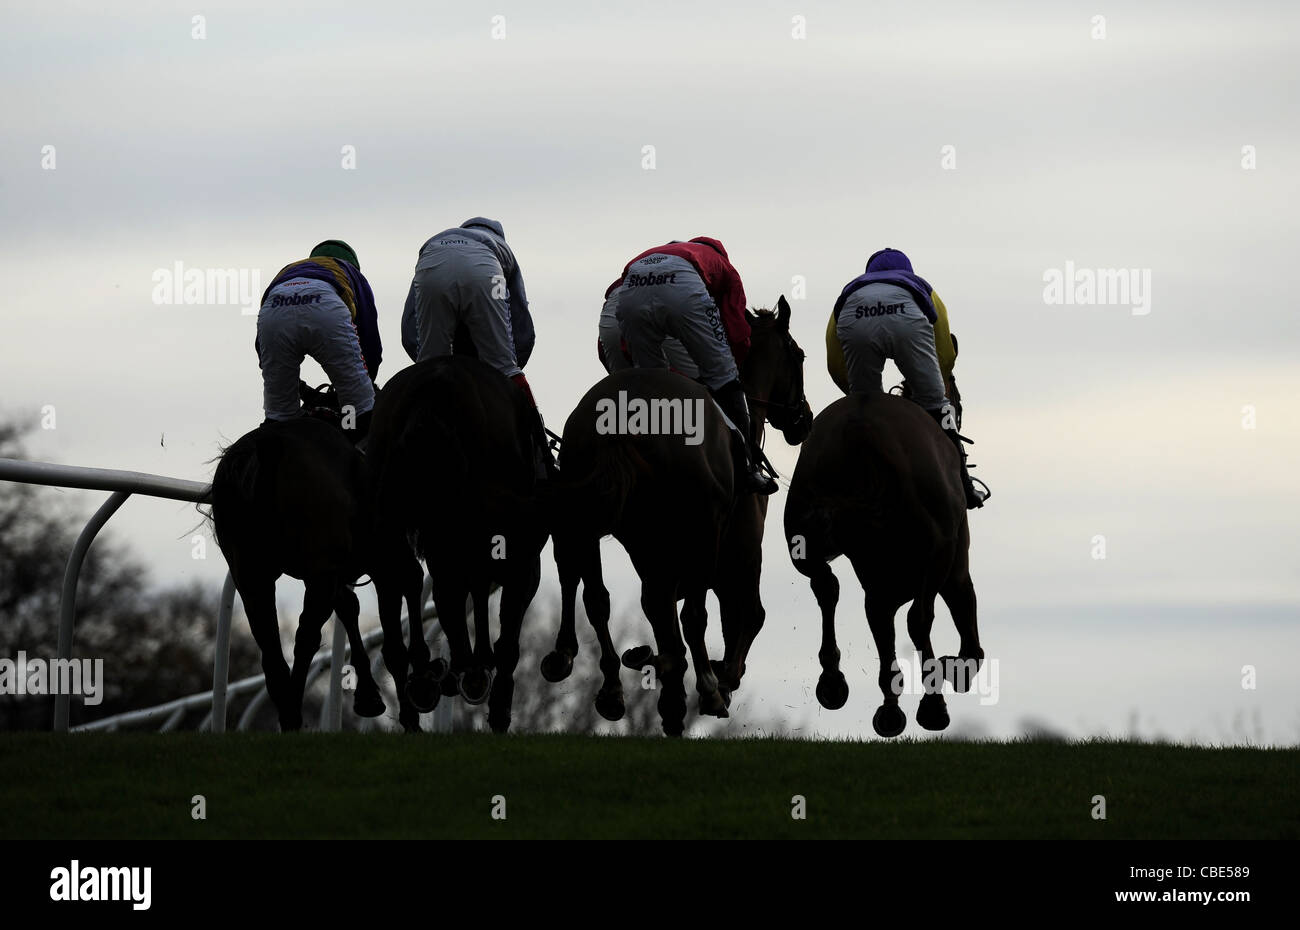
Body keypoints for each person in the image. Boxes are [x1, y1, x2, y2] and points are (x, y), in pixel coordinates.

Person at [607, 236, 777, 495]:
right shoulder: (723, 266)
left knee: (652, 386)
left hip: (631, 286)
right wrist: (730, 368)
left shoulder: (659, 253)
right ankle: (747, 468)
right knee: (725, 377)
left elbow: (622, 344)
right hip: (681, 288)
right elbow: (737, 329)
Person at [826, 247, 985, 509]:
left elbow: (834, 360)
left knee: (865, 409)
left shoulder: (852, 289)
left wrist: (856, 397)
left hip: (855, 317)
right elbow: (943, 352)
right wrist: (937, 389)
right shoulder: (920, 287)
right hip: (908, 320)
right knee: (938, 405)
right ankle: (966, 487)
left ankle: (849, 482)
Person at [400, 217, 554, 475]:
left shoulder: (440, 240)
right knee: (506, 367)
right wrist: (509, 367)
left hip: (430, 268)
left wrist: (423, 358)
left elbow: (410, 321)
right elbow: (519, 313)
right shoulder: (500, 248)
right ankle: (543, 458)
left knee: (429, 369)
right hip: (484, 272)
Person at [256, 239, 380, 443]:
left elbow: (263, 348)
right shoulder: (349, 271)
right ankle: (354, 440)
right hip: (325, 306)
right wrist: (366, 382)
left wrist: (292, 385)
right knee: (360, 409)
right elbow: (367, 333)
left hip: (275, 310)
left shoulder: (289, 269)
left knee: (279, 417)